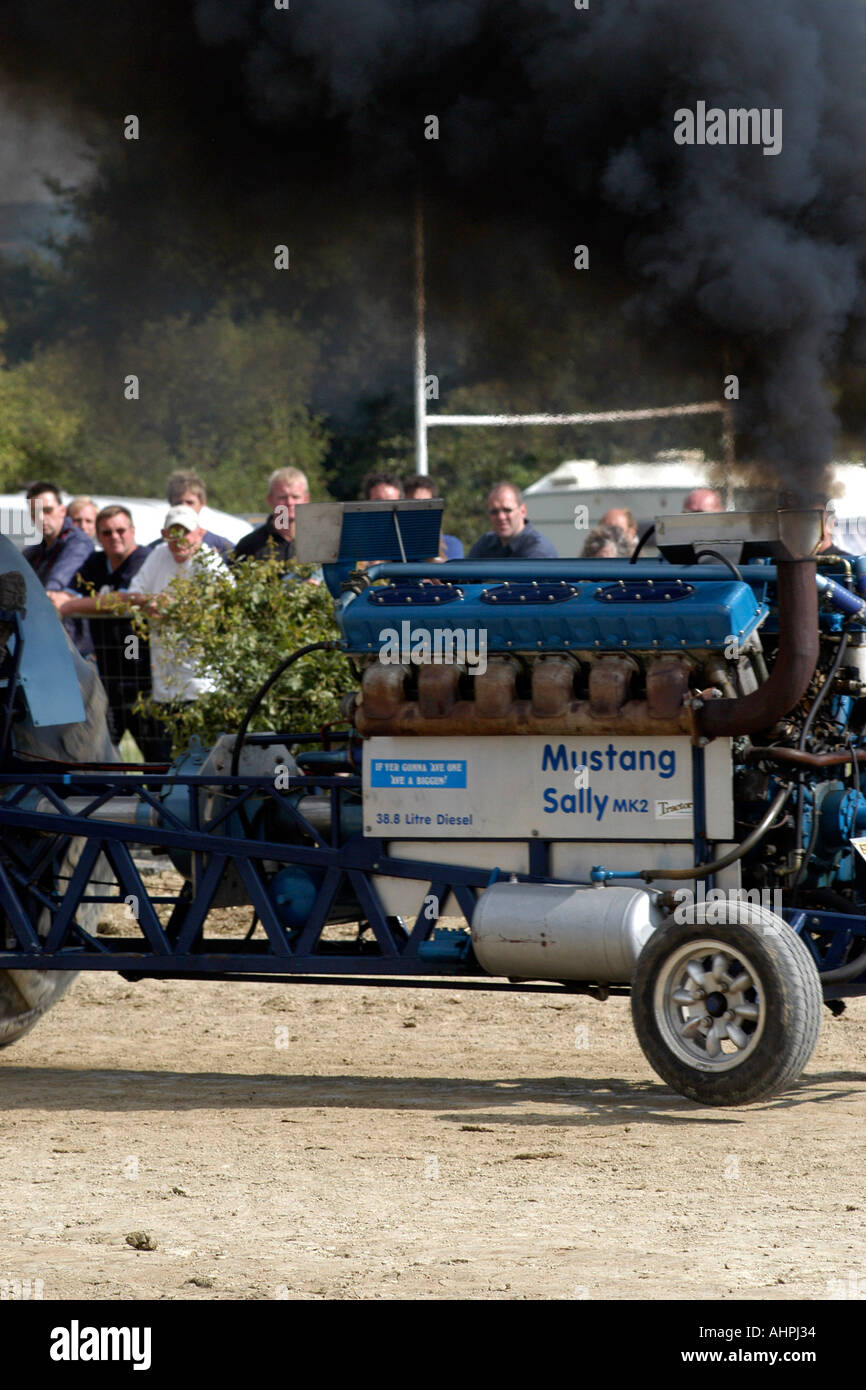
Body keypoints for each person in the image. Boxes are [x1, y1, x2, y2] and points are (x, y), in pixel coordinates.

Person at [122, 506, 228, 760]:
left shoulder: (209, 561)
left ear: (200, 533)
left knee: (206, 755)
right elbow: (133, 594)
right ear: (164, 534)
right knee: (168, 755)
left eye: (186, 533)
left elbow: (225, 602)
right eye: (174, 533)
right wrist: (152, 602)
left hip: (204, 682)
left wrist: (173, 606)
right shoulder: (158, 555)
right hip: (165, 680)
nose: (179, 540)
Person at [56, 505, 160, 757]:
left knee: (156, 753)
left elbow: (126, 599)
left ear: (132, 531)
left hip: (143, 676)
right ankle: (110, 796)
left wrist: (70, 606)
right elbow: (67, 592)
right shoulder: (96, 562)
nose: (115, 536)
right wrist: (59, 599)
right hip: (108, 677)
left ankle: (159, 797)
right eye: (107, 532)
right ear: (98, 536)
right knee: (104, 754)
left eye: (120, 530)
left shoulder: (144, 559)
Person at [22, 480, 94, 613]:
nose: (42, 518)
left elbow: (55, 586)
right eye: (35, 512)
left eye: (47, 510)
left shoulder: (78, 543)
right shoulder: (33, 552)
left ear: (62, 511)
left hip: (69, 629)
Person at [231, 467, 310, 566]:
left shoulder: (321, 541)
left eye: (295, 497)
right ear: (270, 500)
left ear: (306, 499)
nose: (290, 502)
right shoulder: (249, 546)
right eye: (282, 497)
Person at [468, 483, 558, 560]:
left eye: (507, 510)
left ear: (523, 511)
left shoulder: (538, 549)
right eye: (494, 511)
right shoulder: (485, 543)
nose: (501, 517)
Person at [166, 470, 232, 554]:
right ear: (171, 504)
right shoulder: (156, 551)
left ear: (202, 503)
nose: (184, 507)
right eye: (178, 503)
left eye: (190, 503)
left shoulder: (223, 548)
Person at [403, 474, 464, 559]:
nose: (417, 512)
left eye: (425, 505)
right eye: (411, 505)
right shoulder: (394, 546)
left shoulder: (452, 545)